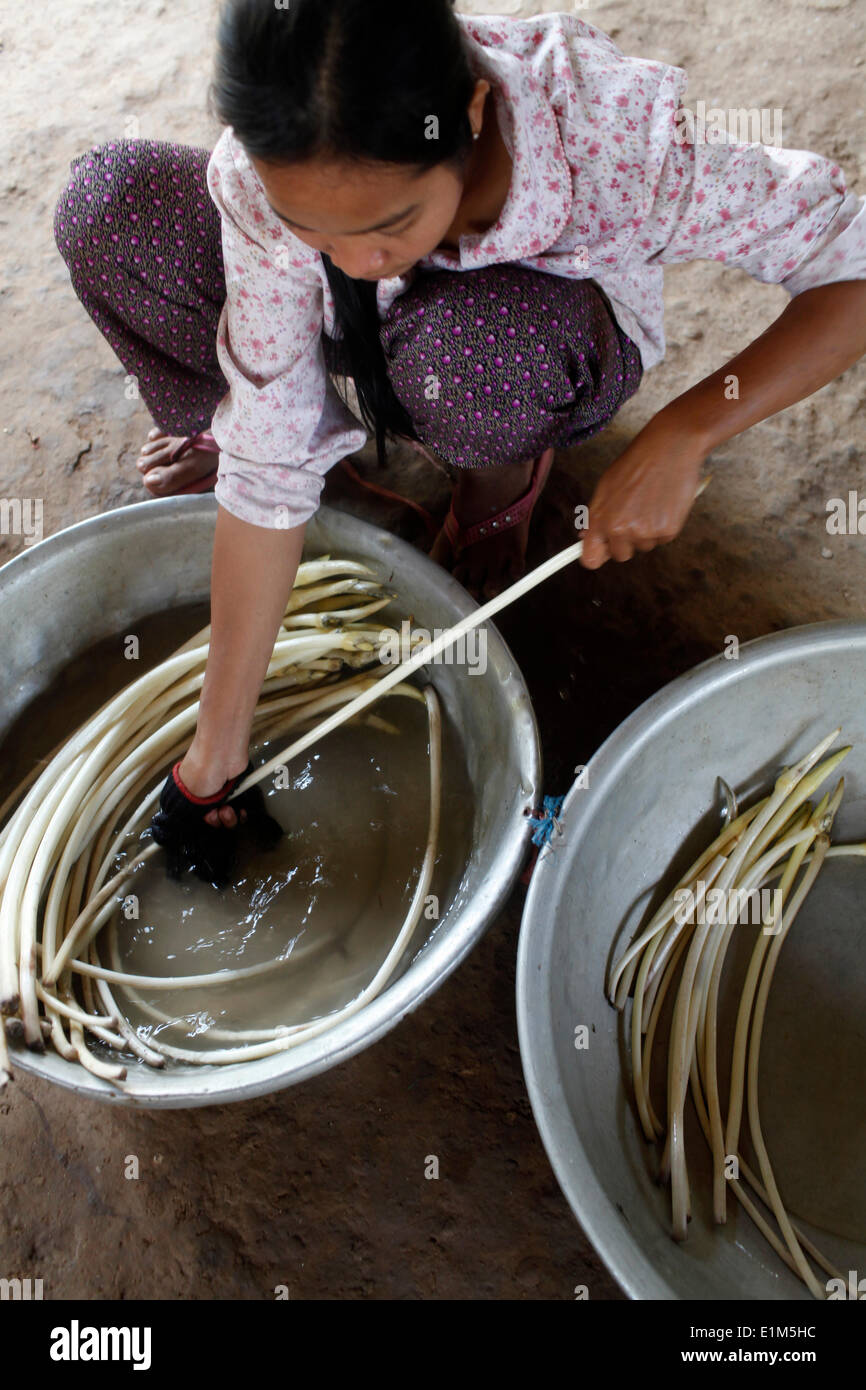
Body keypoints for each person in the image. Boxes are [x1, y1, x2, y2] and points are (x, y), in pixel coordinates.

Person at [53, 0, 866, 882]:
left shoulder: (607, 140)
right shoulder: (265, 188)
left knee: (471, 365)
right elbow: (267, 478)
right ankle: (250, 404)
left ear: (472, 115)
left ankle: (497, 479)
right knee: (111, 207)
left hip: (513, 338)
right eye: (311, 230)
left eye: (387, 225)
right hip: (373, 339)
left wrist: (687, 430)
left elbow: (849, 263)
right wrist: (213, 758)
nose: (353, 262)